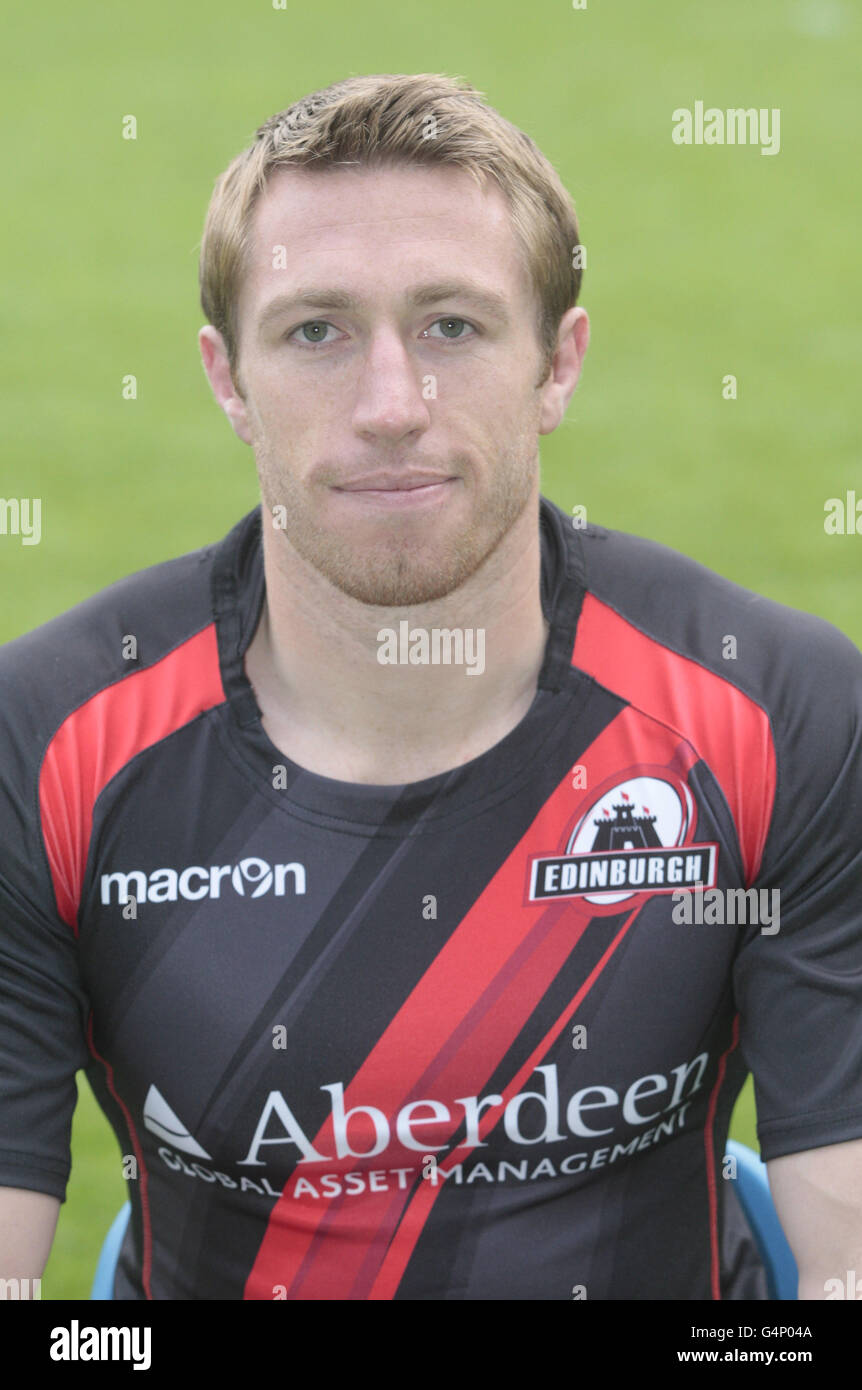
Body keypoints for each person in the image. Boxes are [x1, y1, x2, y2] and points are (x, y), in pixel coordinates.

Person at [1, 72, 860, 1301]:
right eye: (316, 332)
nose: (391, 406)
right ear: (225, 379)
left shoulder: (782, 712)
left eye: (451, 326)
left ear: (557, 364)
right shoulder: (41, 748)